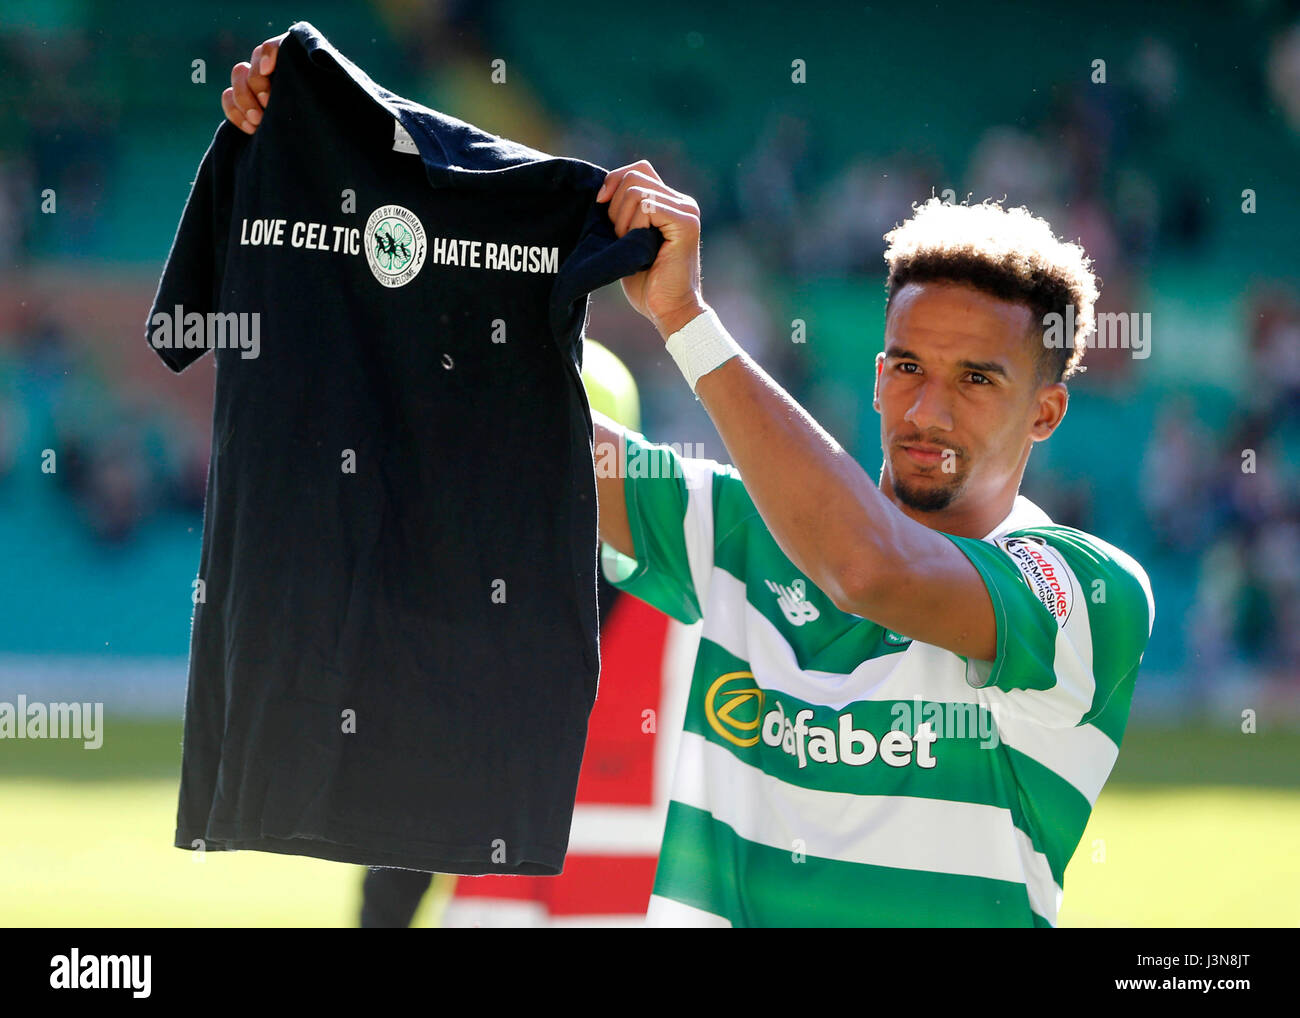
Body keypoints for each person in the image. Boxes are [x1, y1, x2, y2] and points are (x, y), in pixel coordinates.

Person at [223, 36, 1153, 927]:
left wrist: (689, 323)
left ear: (1046, 413)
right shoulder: (741, 531)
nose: (928, 411)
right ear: (876, 375)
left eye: (978, 380)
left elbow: (868, 569)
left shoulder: (1083, 593)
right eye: (908, 367)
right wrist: (331, 166)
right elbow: (508, 433)